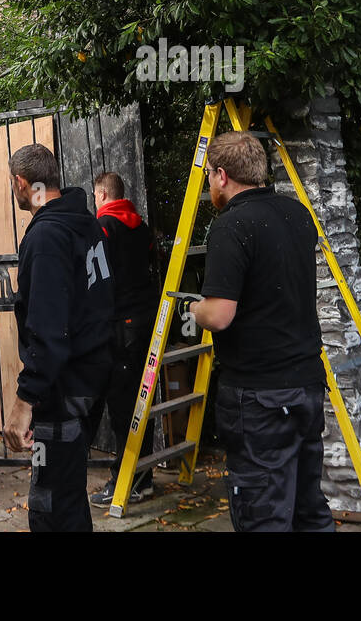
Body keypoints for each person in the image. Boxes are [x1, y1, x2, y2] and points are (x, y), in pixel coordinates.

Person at [189, 131, 334, 532]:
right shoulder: (298, 214)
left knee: (264, 515)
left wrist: (194, 308)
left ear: (221, 175)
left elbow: (219, 315)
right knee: (308, 508)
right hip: (305, 385)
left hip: (261, 398)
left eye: (209, 179)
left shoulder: (232, 226)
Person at [2, 144, 114, 531]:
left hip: (65, 387)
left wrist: (25, 400)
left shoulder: (47, 237)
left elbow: (49, 331)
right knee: (68, 490)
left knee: (50, 502)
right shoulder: (86, 223)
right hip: (92, 378)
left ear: (21, 183)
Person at [88, 171, 161, 509]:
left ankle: (125, 481)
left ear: (101, 194)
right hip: (146, 321)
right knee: (138, 400)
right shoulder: (141, 227)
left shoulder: (104, 228)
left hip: (120, 325)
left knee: (121, 408)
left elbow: (97, 277)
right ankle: (143, 478)